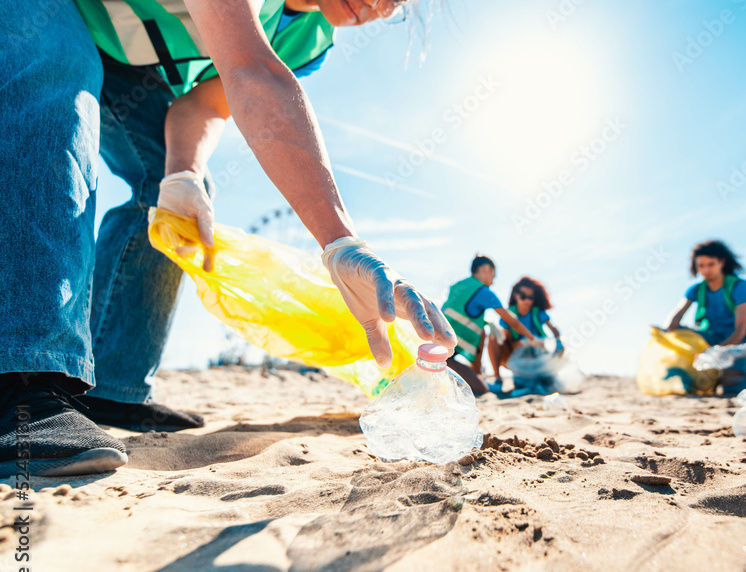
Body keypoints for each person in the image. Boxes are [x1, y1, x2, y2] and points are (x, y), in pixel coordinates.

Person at [1, 0, 455, 479]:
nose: (382, 7)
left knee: (177, 196)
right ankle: (21, 380)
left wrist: (183, 173)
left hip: (122, 61)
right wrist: (340, 241)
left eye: (400, 5)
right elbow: (252, 71)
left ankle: (113, 386)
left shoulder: (309, 40)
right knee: (54, 71)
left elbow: (200, 106)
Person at [663, 240, 746, 394]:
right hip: (711, 338)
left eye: (711, 264)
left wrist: (715, 353)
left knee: (735, 389)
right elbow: (676, 315)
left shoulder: (741, 287)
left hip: (740, 344)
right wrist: (668, 331)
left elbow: (740, 331)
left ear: (722, 263)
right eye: (701, 266)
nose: (706, 270)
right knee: (679, 335)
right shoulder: (696, 289)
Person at [442, 256, 541, 395]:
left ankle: (477, 376)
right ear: (486, 269)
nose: (492, 282)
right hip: (444, 359)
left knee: (483, 330)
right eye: (493, 276)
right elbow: (512, 321)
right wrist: (532, 339)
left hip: (440, 344)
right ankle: (478, 382)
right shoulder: (483, 291)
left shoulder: (460, 285)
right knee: (480, 389)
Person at [488, 276, 562, 379]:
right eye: (523, 296)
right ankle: (497, 378)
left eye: (530, 297)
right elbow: (508, 341)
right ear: (515, 295)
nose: (527, 300)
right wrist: (523, 343)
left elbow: (553, 329)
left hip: (538, 354)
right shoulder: (508, 315)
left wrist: (559, 341)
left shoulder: (538, 312)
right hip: (515, 356)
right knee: (493, 335)